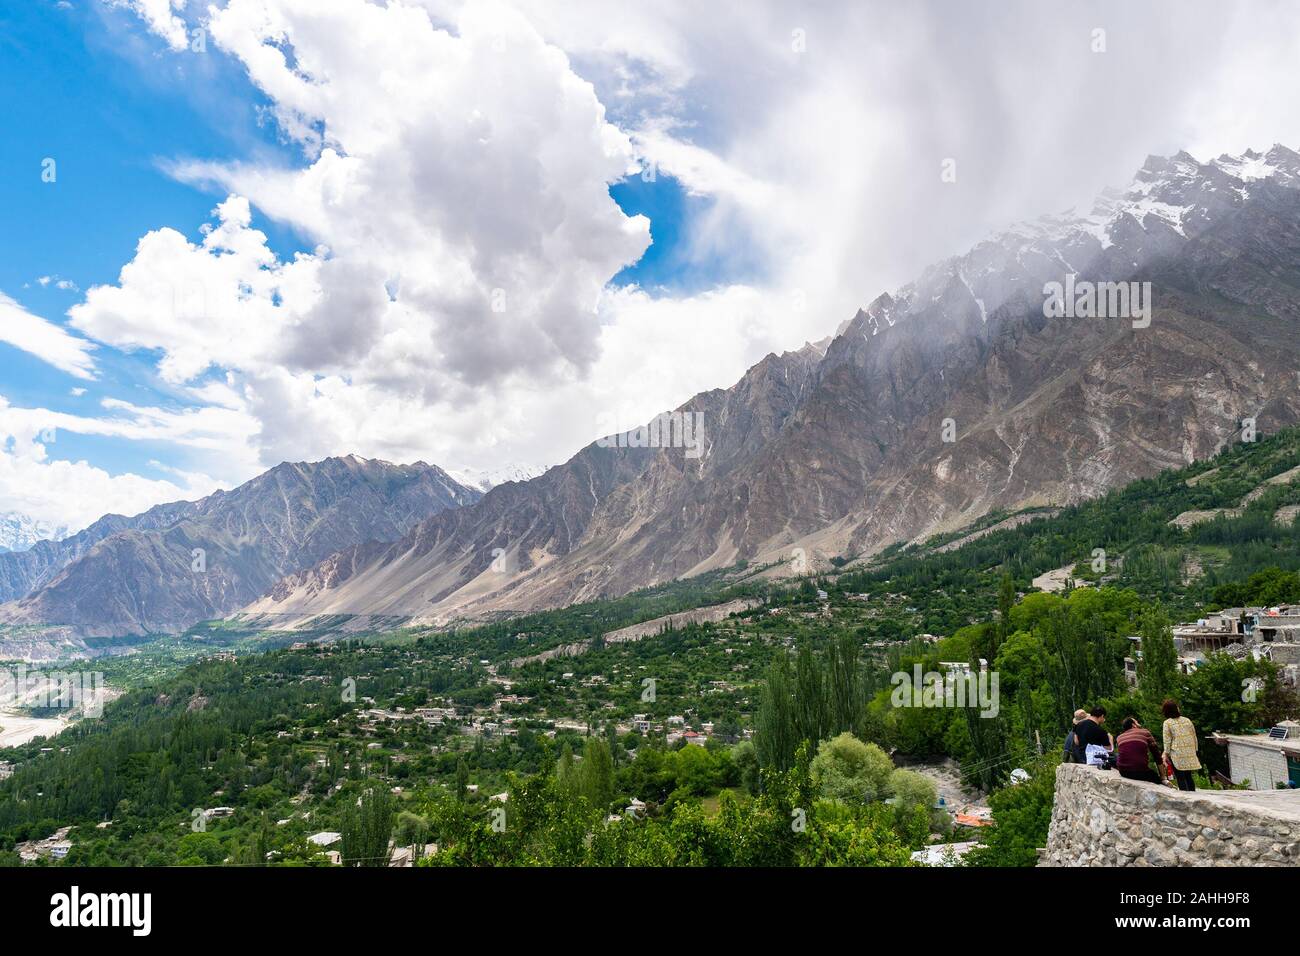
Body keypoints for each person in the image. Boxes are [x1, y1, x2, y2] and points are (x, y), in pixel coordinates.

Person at [1161, 699, 1200, 791]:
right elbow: (1194, 736)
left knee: (1180, 777)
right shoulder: (1187, 720)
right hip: (1189, 752)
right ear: (1176, 709)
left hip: (1177, 753)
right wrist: (1195, 750)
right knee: (1188, 776)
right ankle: (1193, 794)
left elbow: (1167, 740)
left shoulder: (1167, 723)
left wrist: (1166, 754)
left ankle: (1185, 798)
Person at [1115, 716, 1162, 783]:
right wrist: (1163, 777)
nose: (1138, 723)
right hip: (1140, 771)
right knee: (1157, 780)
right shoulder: (1145, 732)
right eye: (1137, 722)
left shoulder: (1119, 737)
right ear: (1133, 725)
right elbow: (1156, 754)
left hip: (1123, 771)